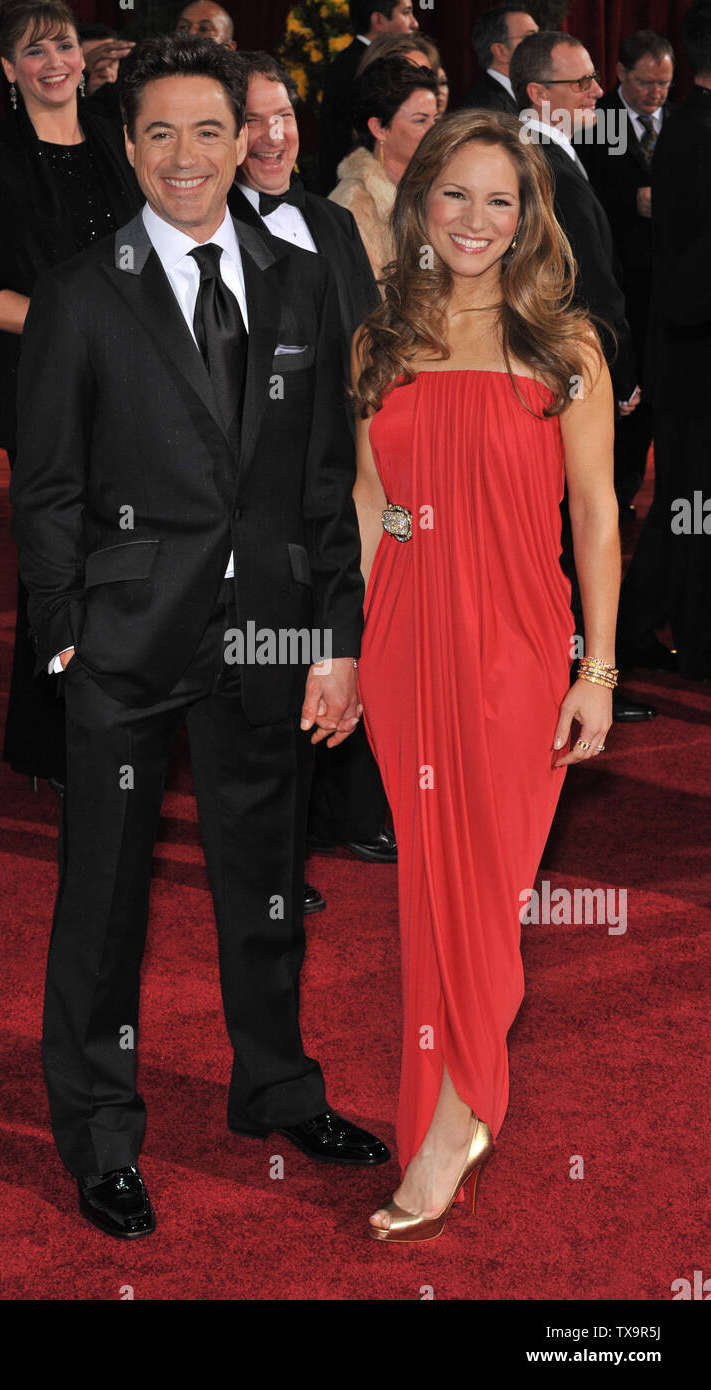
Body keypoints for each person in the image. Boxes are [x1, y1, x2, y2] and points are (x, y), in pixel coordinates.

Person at [10, 34, 390, 1241]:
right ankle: (99, 1131)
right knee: (106, 897)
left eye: (208, 131)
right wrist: (68, 633)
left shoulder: (297, 280)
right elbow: (46, 487)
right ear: (126, 145)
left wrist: (337, 637)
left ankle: (276, 1087)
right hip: (125, 639)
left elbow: (323, 479)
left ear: (248, 139)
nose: (185, 156)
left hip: (271, 637)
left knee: (267, 882)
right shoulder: (79, 291)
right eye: (158, 133)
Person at [352, 109, 619, 1241]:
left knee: (489, 886)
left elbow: (599, 516)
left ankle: (457, 1115)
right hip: (405, 641)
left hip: (517, 644)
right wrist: (350, 648)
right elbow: (370, 503)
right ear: (419, 207)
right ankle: (447, 1105)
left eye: (497, 198)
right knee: (429, 889)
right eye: (452, 195)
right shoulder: (382, 341)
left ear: (527, 217)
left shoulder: (564, 346)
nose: (473, 218)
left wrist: (595, 669)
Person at [0, 0, 142, 787]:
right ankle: (50, 744)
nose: (53, 62)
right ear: (8, 71)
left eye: (62, 45)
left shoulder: (111, 136)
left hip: (131, 391)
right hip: (53, 395)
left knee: (128, 561)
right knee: (58, 570)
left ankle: (124, 725)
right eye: (34, 53)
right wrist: (83, 327)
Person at [227, 51, 395, 877]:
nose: (273, 134)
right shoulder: (210, 230)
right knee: (270, 672)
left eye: (284, 114)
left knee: (343, 641)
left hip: (342, 472)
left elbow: (368, 340)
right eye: (253, 117)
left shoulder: (330, 221)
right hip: (259, 483)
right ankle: (270, 867)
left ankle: (345, 812)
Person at [510, 30, 656, 722]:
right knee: (583, 520)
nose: (597, 92)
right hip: (576, 370)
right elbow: (589, 283)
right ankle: (580, 671)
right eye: (581, 82)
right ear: (539, 94)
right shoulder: (537, 160)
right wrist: (619, 374)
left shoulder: (553, 152)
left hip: (575, 365)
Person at [620, 0, 711, 682]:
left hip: (681, 351)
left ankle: (642, 622)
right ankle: (687, 638)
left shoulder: (681, 127)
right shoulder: (697, 131)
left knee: (685, 504)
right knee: (691, 506)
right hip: (693, 353)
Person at [580, 32, 675, 522]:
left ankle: (646, 495)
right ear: (618, 74)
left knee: (663, 398)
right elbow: (581, 204)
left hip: (673, 291)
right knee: (622, 401)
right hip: (614, 288)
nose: (655, 94)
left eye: (663, 84)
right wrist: (629, 202)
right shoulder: (594, 124)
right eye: (645, 83)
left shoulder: (681, 121)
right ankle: (612, 500)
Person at [329, 56, 439, 281]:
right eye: (420, 121)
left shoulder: (435, 188)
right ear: (379, 128)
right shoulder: (352, 206)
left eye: (434, 120)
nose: (434, 132)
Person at [319, 0, 419, 192]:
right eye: (406, 12)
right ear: (379, 20)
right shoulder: (362, 67)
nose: (415, 23)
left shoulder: (350, 60)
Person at [460, 6, 538, 114]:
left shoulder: (525, 95)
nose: (541, 44)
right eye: (530, 37)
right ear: (501, 51)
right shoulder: (485, 109)